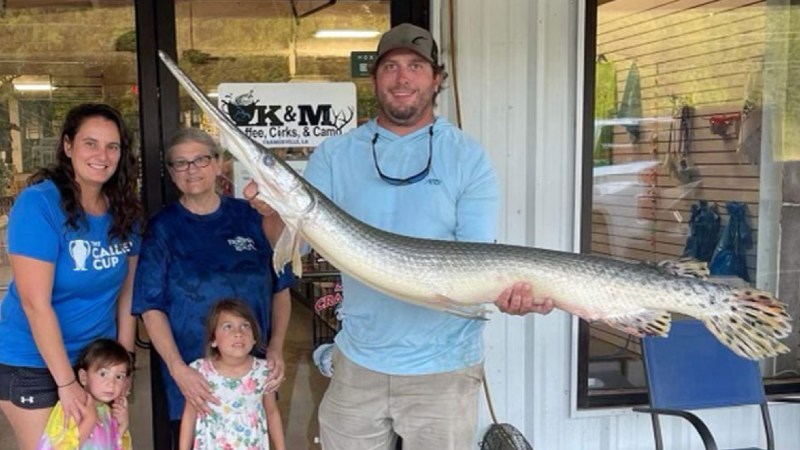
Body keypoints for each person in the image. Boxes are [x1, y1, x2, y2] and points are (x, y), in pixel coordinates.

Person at [245, 23, 554, 450]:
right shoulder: (334, 154)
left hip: (444, 368)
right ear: (374, 78)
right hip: (358, 362)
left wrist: (508, 293)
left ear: (437, 79)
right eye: (390, 67)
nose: (402, 78)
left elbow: (475, 260)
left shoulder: (468, 157)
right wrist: (272, 211)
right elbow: (291, 244)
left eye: (415, 66)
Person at [132, 127, 294, 447]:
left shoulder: (251, 217)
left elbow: (281, 288)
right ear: (172, 173)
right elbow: (151, 307)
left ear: (219, 163)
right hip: (195, 384)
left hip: (251, 379)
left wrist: (276, 347)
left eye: (201, 160)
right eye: (181, 163)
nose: (192, 170)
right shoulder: (163, 229)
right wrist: (178, 369)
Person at [0, 103, 142, 450]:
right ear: (68, 146)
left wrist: (120, 367)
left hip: (94, 361)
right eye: (90, 143)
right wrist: (66, 383)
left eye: (112, 146)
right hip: (32, 361)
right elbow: (35, 303)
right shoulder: (39, 205)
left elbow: (128, 294)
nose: (102, 155)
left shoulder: (124, 210)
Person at [179, 299, 284, 450]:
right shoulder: (200, 371)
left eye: (245, 326)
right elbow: (189, 415)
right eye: (228, 327)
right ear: (213, 340)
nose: (238, 333)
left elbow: (272, 412)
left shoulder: (264, 371)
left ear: (254, 338)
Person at [37, 339, 134, 450]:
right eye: (103, 374)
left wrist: (122, 426)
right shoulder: (71, 408)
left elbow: (113, 445)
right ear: (84, 377)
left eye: (119, 377)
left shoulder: (108, 412)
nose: (111, 383)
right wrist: (89, 420)